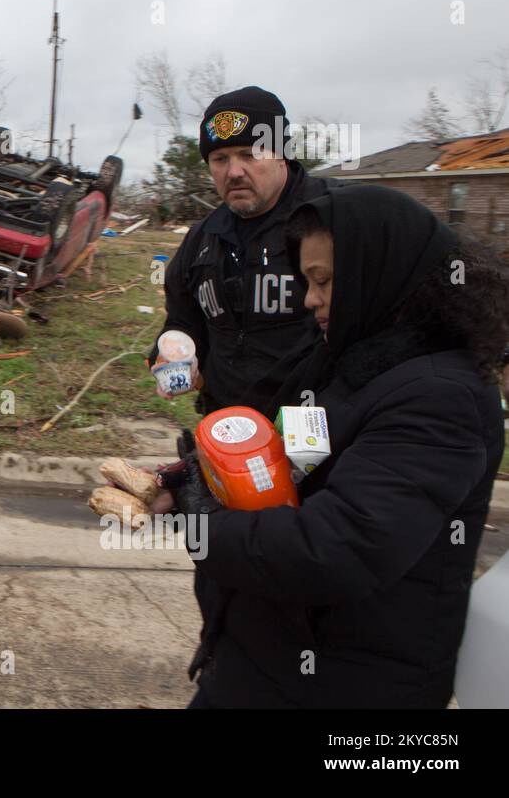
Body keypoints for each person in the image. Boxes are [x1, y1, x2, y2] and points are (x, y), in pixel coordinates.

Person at [172, 184, 508, 707]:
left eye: (324, 281)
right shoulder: (350, 367)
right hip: (267, 663)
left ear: (380, 273)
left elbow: (333, 549)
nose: (310, 300)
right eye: (307, 281)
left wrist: (201, 524)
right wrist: (191, 478)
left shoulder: (443, 399)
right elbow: (289, 467)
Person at [150, 86, 335, 419]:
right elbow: (183, 318)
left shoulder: (335, 217)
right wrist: (175, 351)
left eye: (249, 154)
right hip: (228, 432)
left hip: (321, 431)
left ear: (281, 154)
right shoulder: (202, 238)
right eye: (220, 159)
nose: (233, 172)